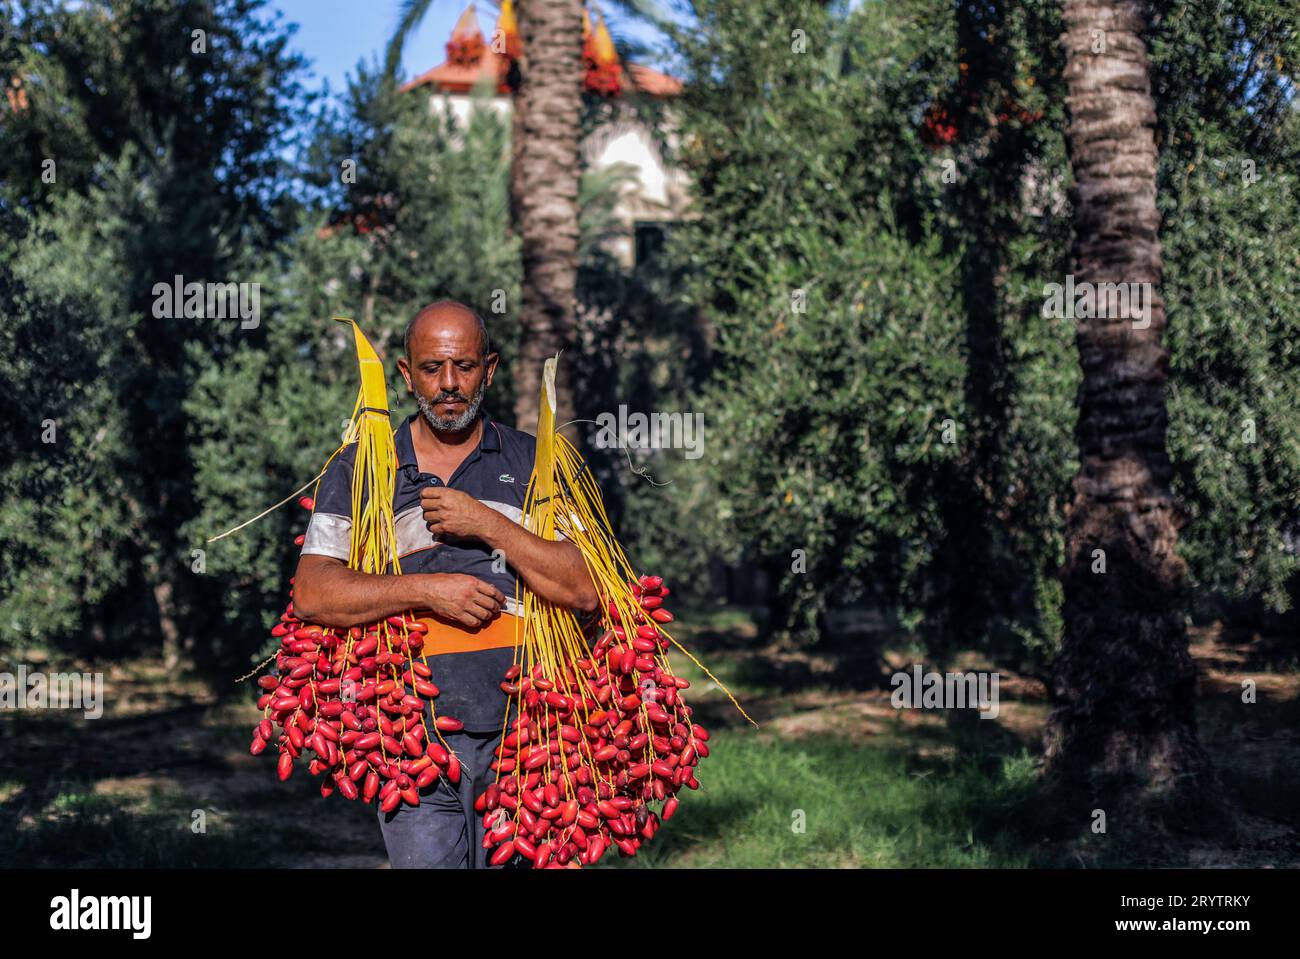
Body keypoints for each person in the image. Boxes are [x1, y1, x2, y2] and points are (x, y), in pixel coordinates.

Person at [292, 299, 599, 868]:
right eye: (432, 369)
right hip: (412, 738)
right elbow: (312, 593)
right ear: (407, 375)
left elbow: (585, 589)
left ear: (491, 368)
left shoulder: (538, 464)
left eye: (465, 366)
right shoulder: (363, 470)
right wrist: (427, 591)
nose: (449, 384)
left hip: (529, 736)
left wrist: (485, 522)